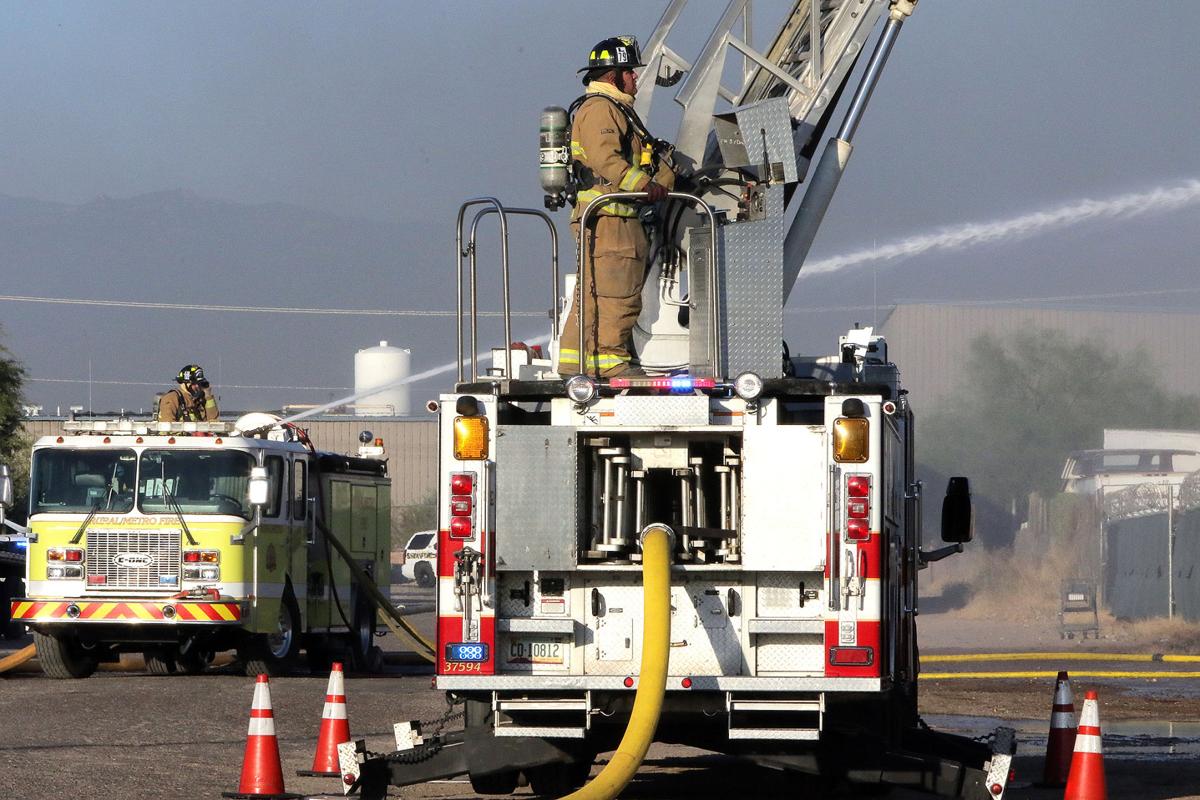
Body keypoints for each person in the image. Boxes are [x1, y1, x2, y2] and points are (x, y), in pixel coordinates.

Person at [559, 35, 676, 378]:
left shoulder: (613, 108)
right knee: (616, 294)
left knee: (595, 295)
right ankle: (611, 362)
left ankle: (578, 363)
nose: (636, 78)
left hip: (613, 219)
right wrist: (645, 185)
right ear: (614, 76)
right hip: (610, 219)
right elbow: (605, 158)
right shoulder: (601, 109)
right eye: (631, 72)